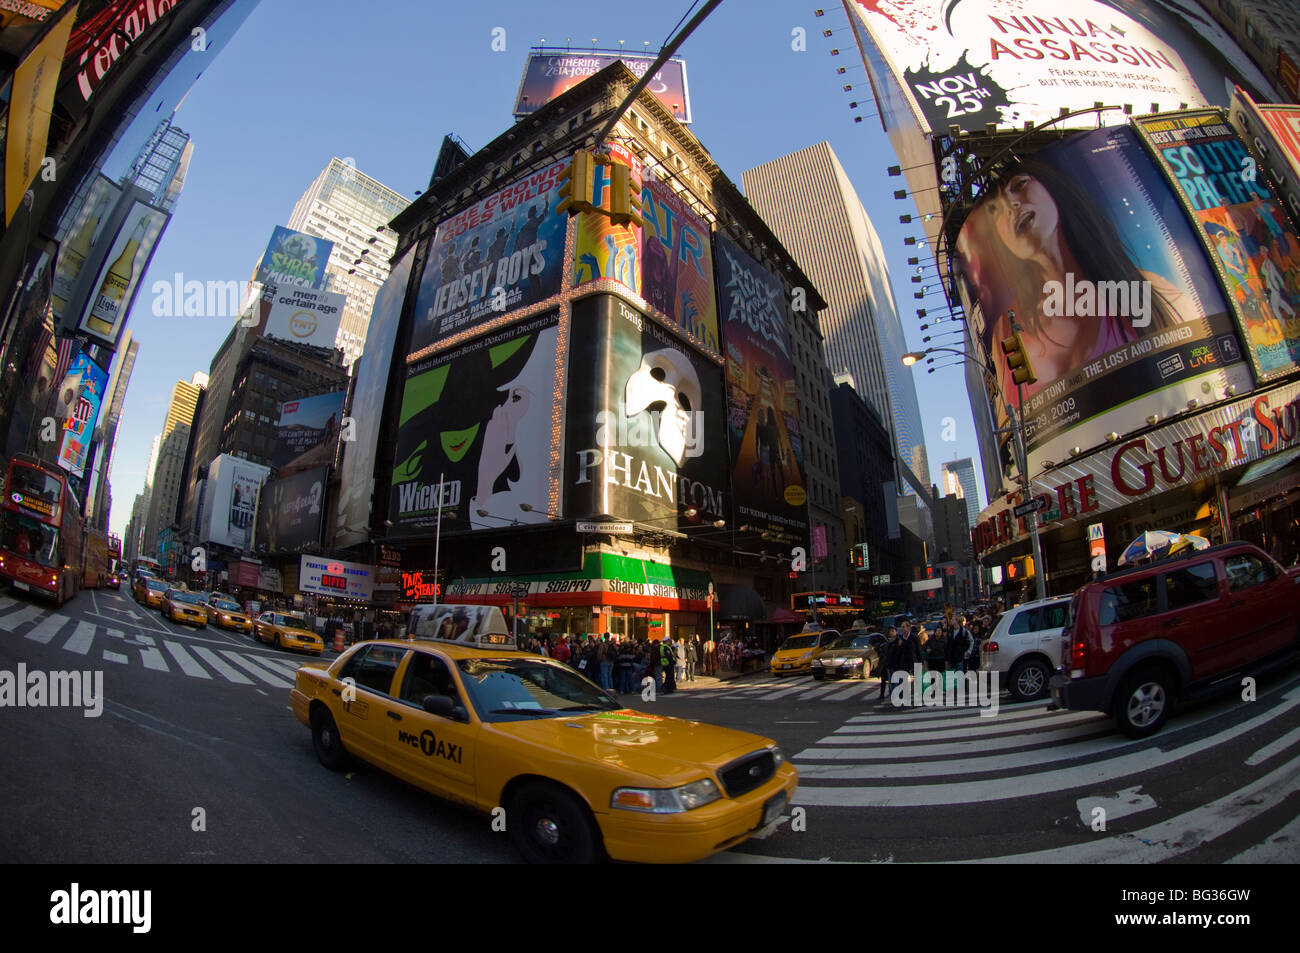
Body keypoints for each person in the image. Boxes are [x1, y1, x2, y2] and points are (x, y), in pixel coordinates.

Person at [964, 158, 1183, 395]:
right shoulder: (1006, 329)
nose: (1011, 205)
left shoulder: (1143, 289)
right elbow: (1007, 413)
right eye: (995, 210)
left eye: (1019, 185)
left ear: (1050, 185)